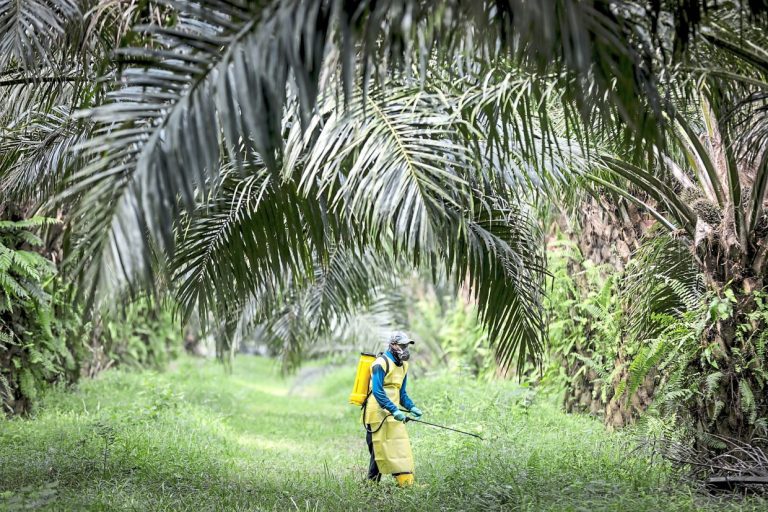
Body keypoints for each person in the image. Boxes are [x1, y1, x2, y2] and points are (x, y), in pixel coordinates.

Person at [362, 331, 423, 487]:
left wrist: (412, 406)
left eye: (406, 345)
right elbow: (377, 391)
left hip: (393, 413)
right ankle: (371, 485)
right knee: (378, 449)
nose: (405, 348)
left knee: (399, 446)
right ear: (393, 345)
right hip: (377, 413)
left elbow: (401, 393)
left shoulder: (404, 366)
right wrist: (393, 410)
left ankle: (406, 483)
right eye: (402, 345)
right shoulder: (380, 364)